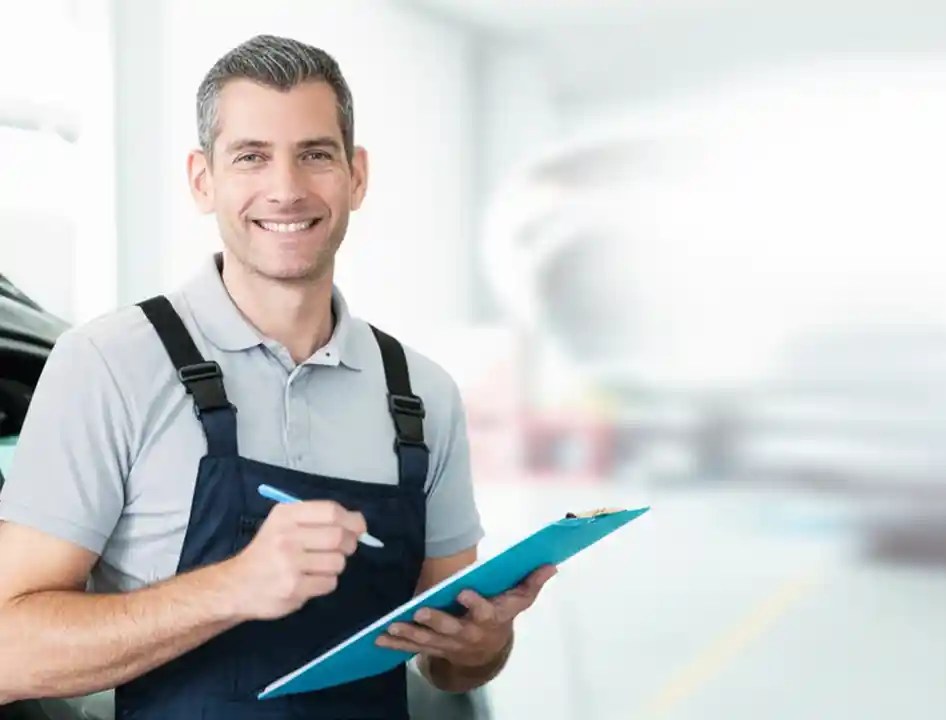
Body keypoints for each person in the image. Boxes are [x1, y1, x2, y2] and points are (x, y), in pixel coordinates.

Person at [0, 34, 555, 719]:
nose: (286, 190)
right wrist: (233, 588)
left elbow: (451, 667)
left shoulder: (421, 396)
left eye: (315, 155)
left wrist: (480, 643)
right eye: (251, 157)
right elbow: (9, 651)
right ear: (203, 180)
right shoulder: (110, 365)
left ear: (356, 175)